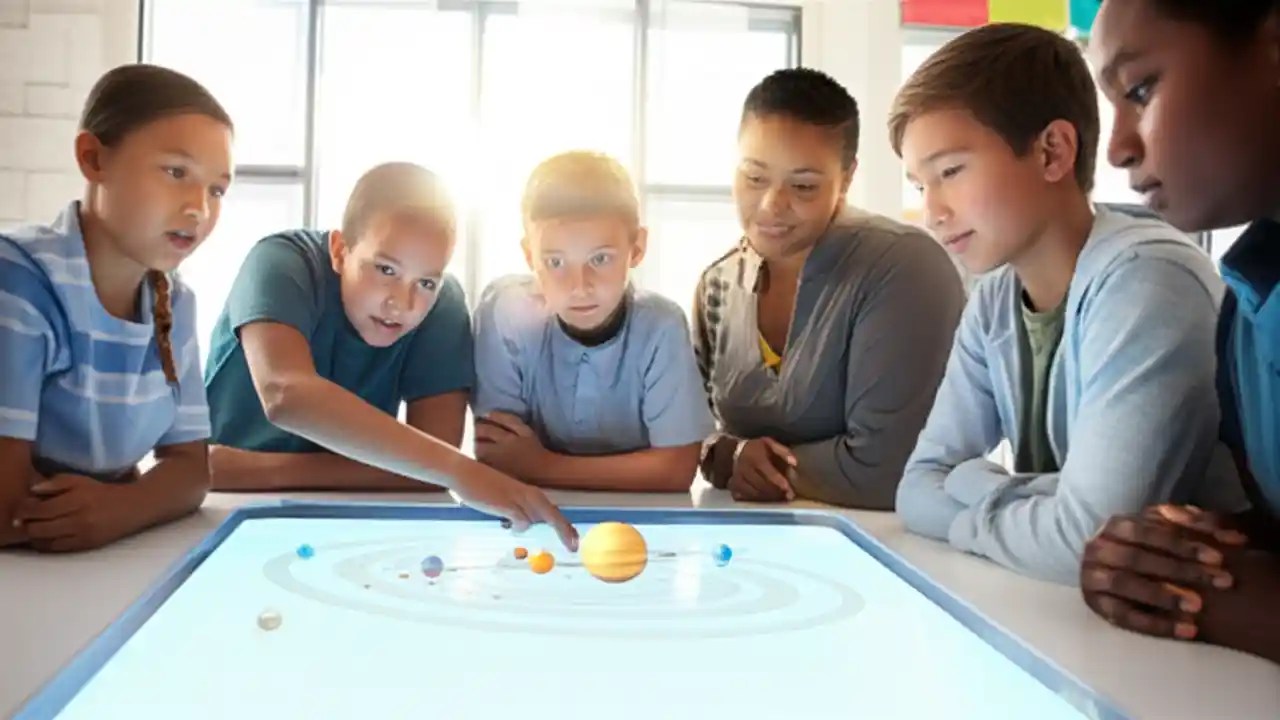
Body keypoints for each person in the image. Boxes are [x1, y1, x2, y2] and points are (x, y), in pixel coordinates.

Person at [891, 23, 1244, 584]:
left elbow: (1089, 538)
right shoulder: (993, 300)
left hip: (1198, 640)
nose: (932, 210)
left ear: (1052, 151)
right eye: (919, 186)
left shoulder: (1147, 282)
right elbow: (916, 487)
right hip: (1077, 619)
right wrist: (1046, 506)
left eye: (951, 172)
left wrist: (972, 491)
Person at [202, 162, 577, 548]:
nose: (402, 302)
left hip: (343, 515)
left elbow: (429, 467)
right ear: (339, 249)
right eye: (385, 269)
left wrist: (253, 470)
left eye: (426, 281)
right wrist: (456, 472)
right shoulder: (281, 261)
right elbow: (285, 395)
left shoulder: (441, 305)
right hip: (222, 510)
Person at [1081, 0, 1280, 664]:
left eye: (1140, 89)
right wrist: (1156, 561)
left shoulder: (1153, 275)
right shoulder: (1249, 309)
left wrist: (1229, 602)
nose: (1116, 147)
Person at [693, 68, 965, 508]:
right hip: (744, 544)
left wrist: (743, 462)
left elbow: (886, 469)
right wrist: (726, 454)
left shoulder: (902, 268)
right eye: (754, 177)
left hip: (885, 548)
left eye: (803, 186)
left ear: (847, 177)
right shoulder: (717, 284)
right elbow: (697, 441)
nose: (771, 206)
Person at [0, 64, 231, 551]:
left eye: (216, 189)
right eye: (176, 172)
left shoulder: (176, 302)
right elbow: (7, 506)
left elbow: (192, 470)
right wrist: (130, 500)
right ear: (93, 158)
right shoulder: (19, 281)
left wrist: (122, 508)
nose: (199, 208)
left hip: (93, 566)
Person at [471, 151, 714, 491]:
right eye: (555, 262)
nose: (579, 286)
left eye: (600, 258)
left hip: (642, 519)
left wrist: (543, 465)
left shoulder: (661, 327)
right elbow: (499, 457)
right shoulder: (505, 314)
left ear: (637, 248)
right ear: (529, 255)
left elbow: (675, 470)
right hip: (531, 515)